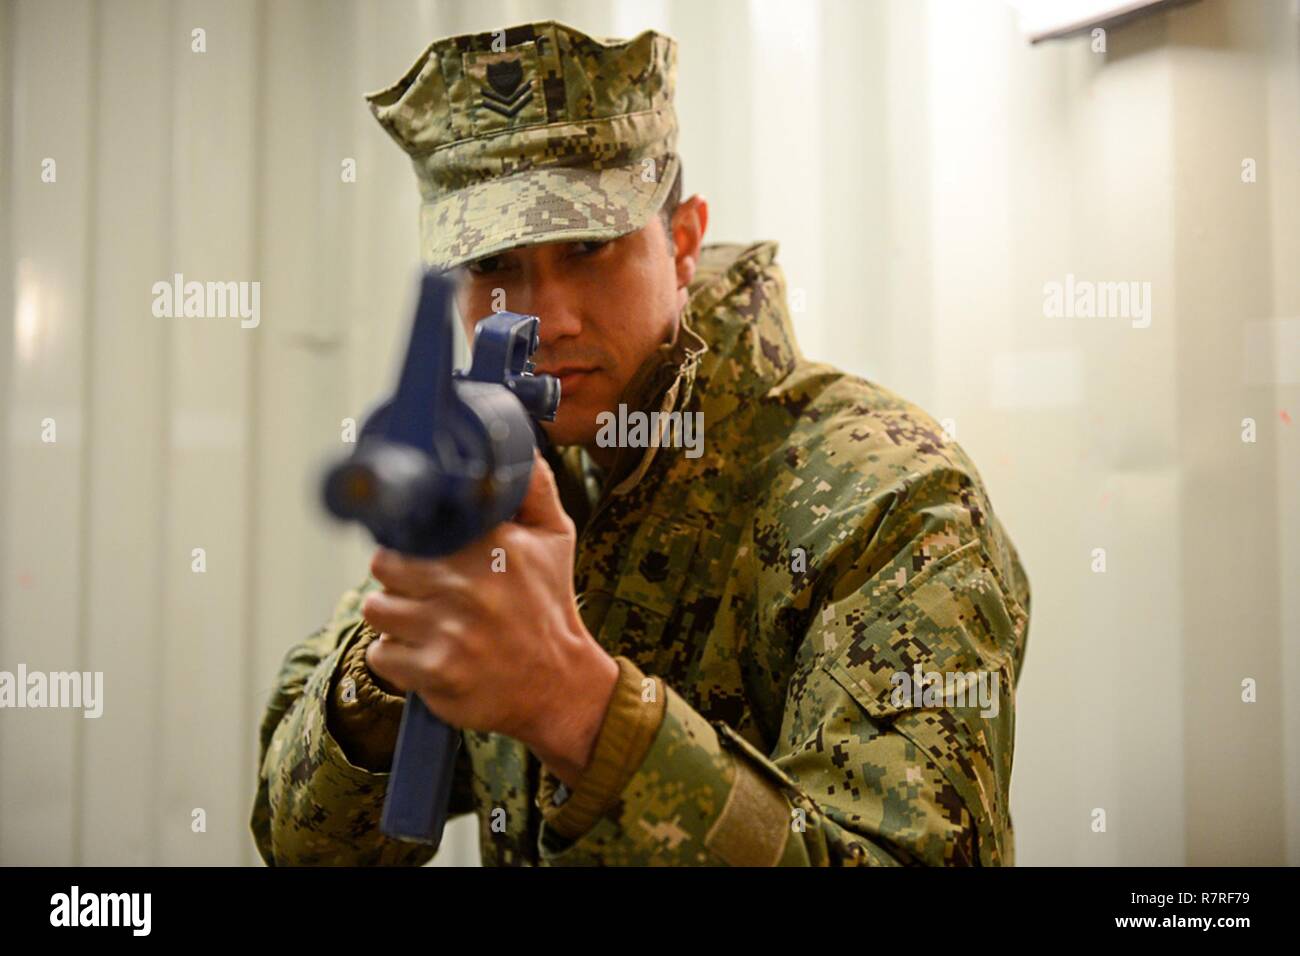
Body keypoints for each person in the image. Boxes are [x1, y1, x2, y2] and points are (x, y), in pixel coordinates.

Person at [251, 20, 1031, 866]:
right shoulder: (495, 472)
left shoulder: (890, 496)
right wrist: (384, 678)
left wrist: (579, 709)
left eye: (589, 249)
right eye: (494, 266)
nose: (547, 317)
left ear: (684, 240)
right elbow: (303, 847)